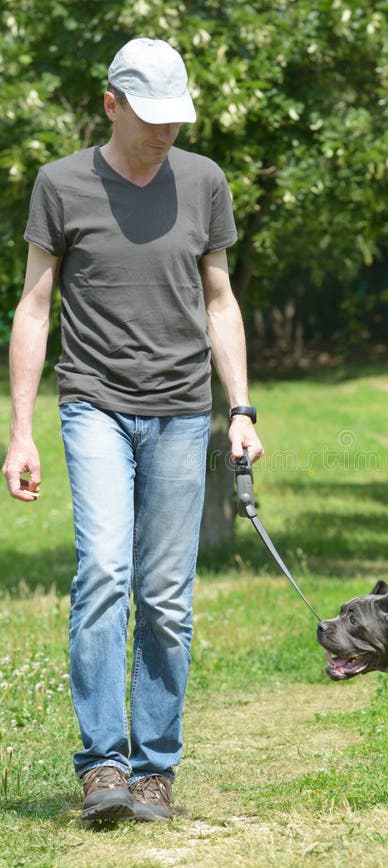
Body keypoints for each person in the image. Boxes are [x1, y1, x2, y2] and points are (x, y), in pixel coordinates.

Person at [2, 37, 263, 822]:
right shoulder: (61, 185)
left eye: (176, 119)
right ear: (111, 104)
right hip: (94, 404)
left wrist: (241, 408)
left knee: (167, 596)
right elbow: (35, 309)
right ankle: (103, 768)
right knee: (105, 574)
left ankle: (154, 772)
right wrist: (20, 432)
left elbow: (220, 301)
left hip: (184, 409)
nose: (165, 133)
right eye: (151, 118)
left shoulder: (205, 182)